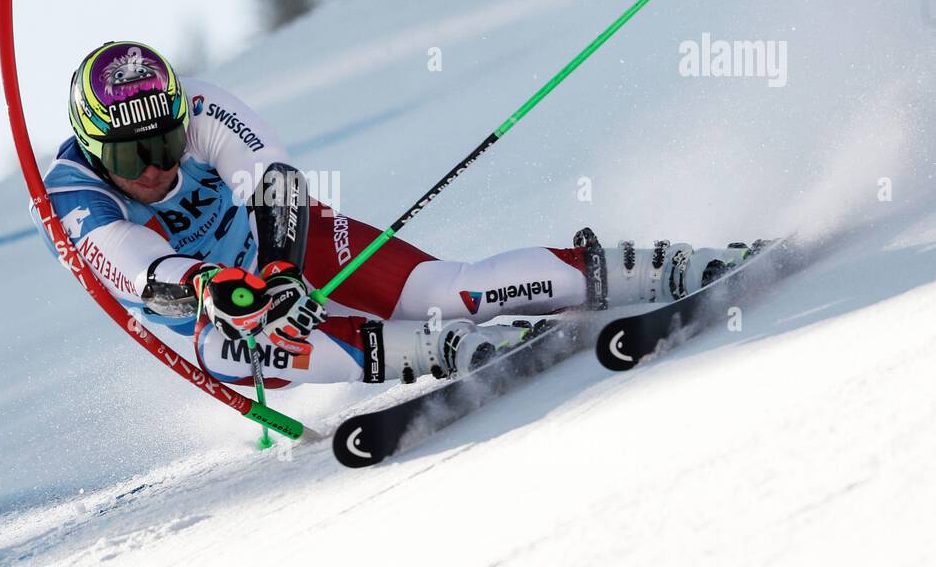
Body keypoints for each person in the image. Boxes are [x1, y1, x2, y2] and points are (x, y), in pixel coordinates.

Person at [40, 40, 752, 388]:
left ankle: (659, 268)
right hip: (215, 316)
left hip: (283, 245)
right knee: (239, 345)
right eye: (134, 159)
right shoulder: (74, 197)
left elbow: (275, 181)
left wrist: (282, 265)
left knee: (451, 290)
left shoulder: (198, 103)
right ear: (98, 150)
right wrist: (216, 290)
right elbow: (140, 274)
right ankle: (431, 355)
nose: (159, 165)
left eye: (165, 140)